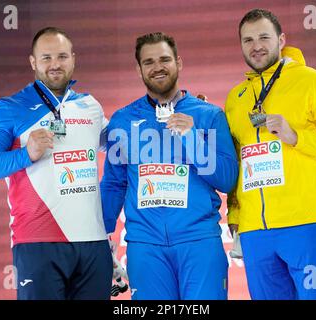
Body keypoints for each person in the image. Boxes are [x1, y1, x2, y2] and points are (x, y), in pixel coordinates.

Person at [0, 27, 113, 300]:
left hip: (93, 244)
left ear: (73, 58)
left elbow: (123, 144)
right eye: (46, 58)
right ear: (33, 62)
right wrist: (26, 154)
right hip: (37, 242)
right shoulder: (10, 107)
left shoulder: (90, 106)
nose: (55, 64)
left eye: (62, 56)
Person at [225, 9, 316, 300]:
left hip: (306, 224)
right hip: (255, 232)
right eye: (248, 40)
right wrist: (236, 215)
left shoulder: (313, 82)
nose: (256, 45)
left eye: (264, 37)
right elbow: (238, 159)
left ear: (281, 39)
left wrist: (296, 137)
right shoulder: (235, 99)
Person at [100, 32, 238, 300]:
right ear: (138, 69)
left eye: (164, 59)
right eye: (148, 62)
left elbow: (227, 179)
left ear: (179, 62)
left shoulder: (209, 115)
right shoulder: (122, 120)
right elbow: (114, 184)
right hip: (145, 246)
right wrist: (100, 238)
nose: (157, 67)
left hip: (200, 243)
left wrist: (192, 139)